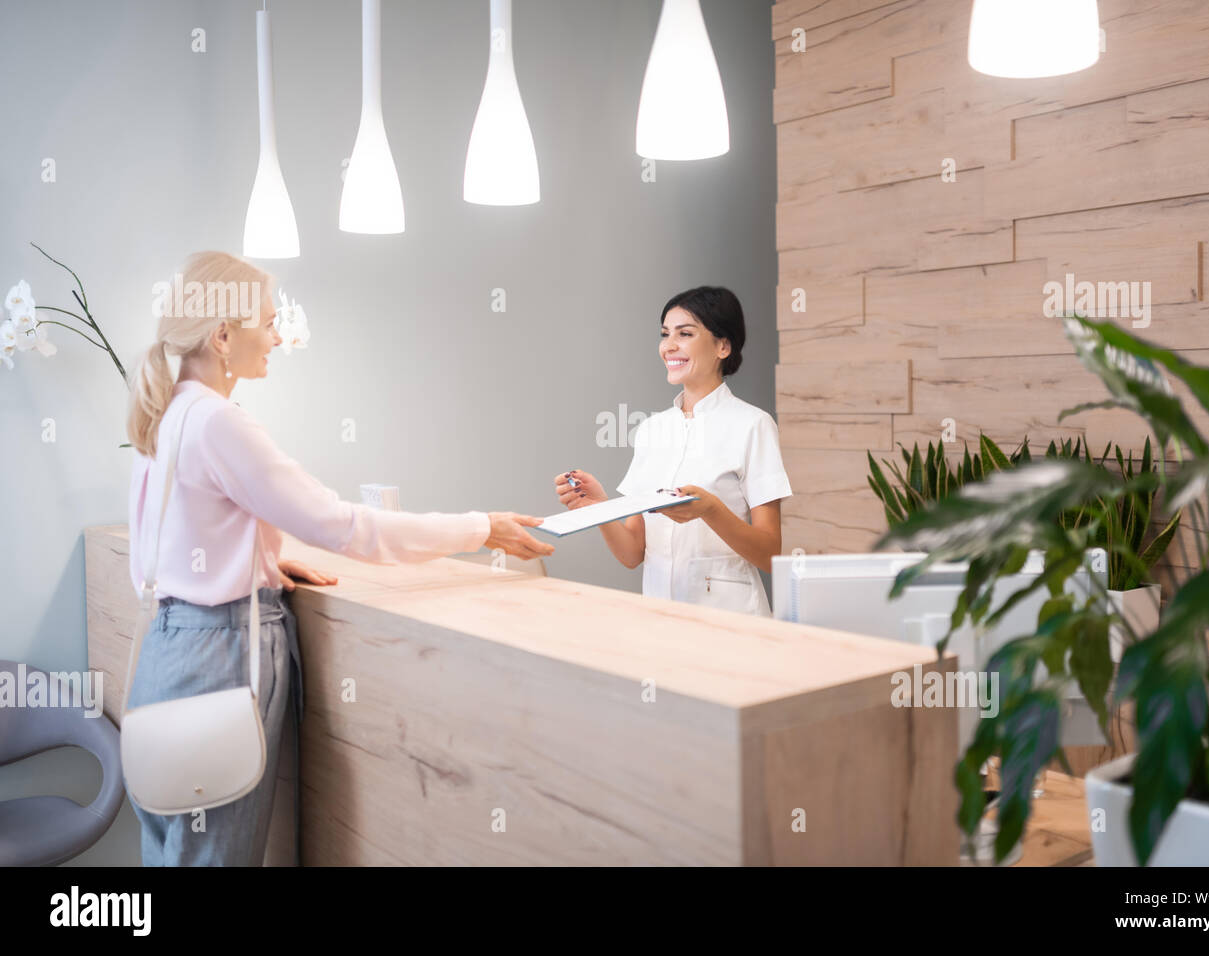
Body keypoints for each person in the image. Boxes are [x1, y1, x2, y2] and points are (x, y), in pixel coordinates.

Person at [124, 250, 552, 866]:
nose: (276, 336)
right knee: (214, 856)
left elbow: (160, 549)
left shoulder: (165, 413)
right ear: (223, 336)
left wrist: (261, 562)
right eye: (266, 323)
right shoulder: (220, 422)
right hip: (218, 656)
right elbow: (344, 526)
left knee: (174, 851)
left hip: (170, 653)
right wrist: (480, 528)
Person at [554, 286, 791, 616]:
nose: (669, 346)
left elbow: (771, 554)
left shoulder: (753, 425)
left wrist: (710, 510)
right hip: (660, 618)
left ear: (723, 346)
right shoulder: (651, 430)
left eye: (686, 333)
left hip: (731, 618)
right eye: (666, 334)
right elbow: (633, 554)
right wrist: (599, 508)